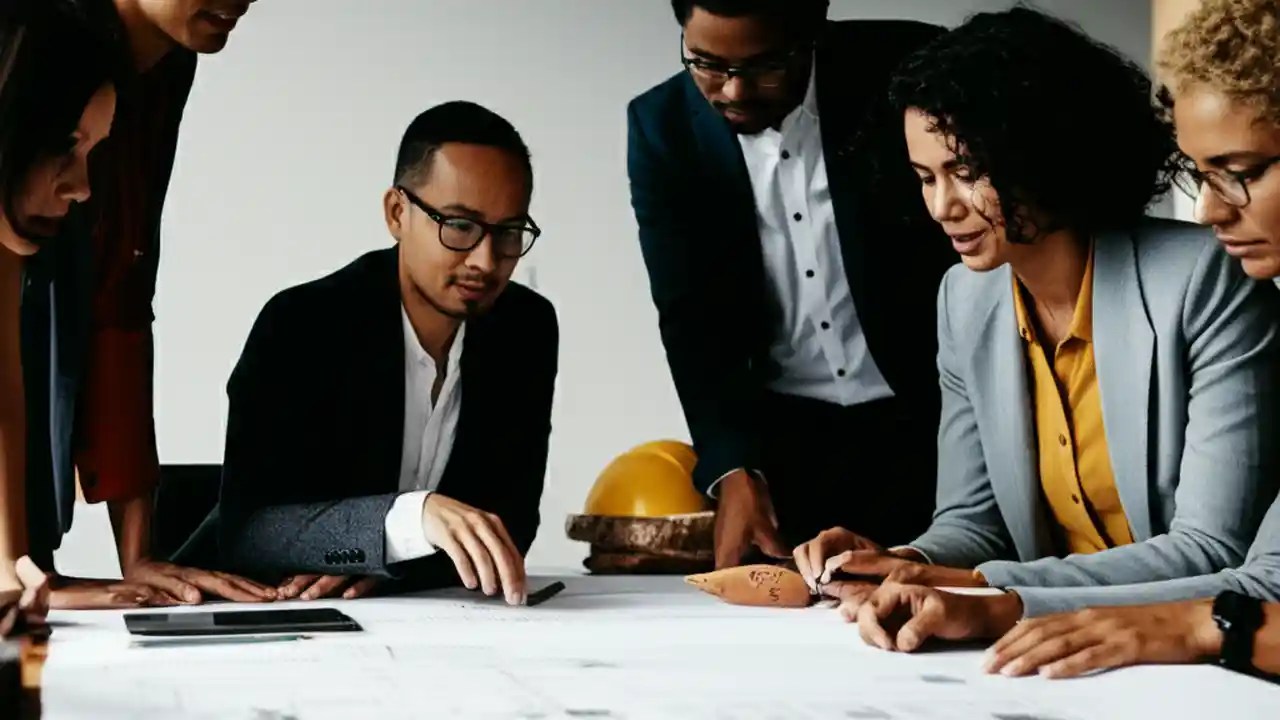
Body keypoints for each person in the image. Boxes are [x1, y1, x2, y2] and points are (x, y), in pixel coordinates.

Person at [798, 6, 1280, 648]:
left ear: (1045, 152)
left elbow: (1215, 551)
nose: (943, 207)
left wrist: (991, 592)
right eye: (925, 179)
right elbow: (972, 521)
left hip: (1169, 641)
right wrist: (900, 560)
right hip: (1046, 645)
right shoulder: (963, 300)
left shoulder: (1204, 278)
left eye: (966, 172)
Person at [975, 0, 1280, 680]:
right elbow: (1270, 579)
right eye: (1204, 175)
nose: (1211, 210)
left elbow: (1245, 582)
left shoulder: (1206, 283)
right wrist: (1006, 601)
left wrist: (1002, 602)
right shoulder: (964, 302)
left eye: (1244, 171)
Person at [628, 0, 954, 569]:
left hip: (938, 422)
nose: (731, 91)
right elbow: (689, 316)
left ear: (810, 33)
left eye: (760, 67)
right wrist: (732, 466)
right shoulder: (662, 127)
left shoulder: (907, 67)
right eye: (704, 62)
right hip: (788, 449)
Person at [209, 101, 555, 605]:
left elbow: (509, 527)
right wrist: (413, 518)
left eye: (507, 233)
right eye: (459, 225)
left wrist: (390, 564)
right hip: (289, 625)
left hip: (434, 627)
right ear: (397, 213)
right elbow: (248, 532)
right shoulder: (301, 324)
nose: (486, 259)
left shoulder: (525, 328)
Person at [21, 0, 274, 609]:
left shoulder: (168, 65)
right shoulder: (33, 37)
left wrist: (138, 560)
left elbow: (124, 283)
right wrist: (14, 563)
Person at [0, 0, 117, 628]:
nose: (82, 187)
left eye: (93, 150)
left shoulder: (6, 247)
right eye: (66, 147)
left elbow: (4, 399)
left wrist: (10, 569)